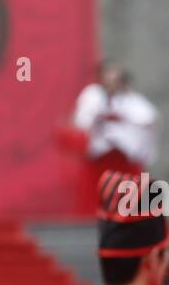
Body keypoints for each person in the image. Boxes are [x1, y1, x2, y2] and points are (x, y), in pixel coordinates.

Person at [68, 61, 160, 215]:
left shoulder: (134, 101)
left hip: (125, 159)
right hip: (99, 159)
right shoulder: (92, 95)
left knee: (124, 201)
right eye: (109, 74)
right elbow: (82, 121)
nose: (112, 79)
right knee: (95, 199)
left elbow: (148, 120)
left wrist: (122, 120)